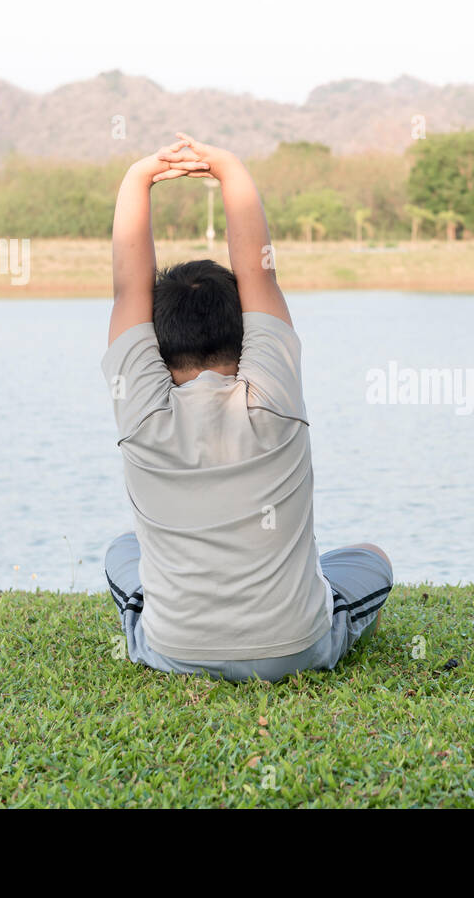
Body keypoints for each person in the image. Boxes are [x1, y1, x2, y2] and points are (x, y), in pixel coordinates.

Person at [100, 133, 393, 682]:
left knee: (122, 550)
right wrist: (227, 167)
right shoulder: (275, 397)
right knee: (372, 558)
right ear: (246, 337)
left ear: (157, 352)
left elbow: (126, 289)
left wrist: (139, 177)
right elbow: (260, 273)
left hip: (176, 651)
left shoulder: (138, 409)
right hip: (297, 650)